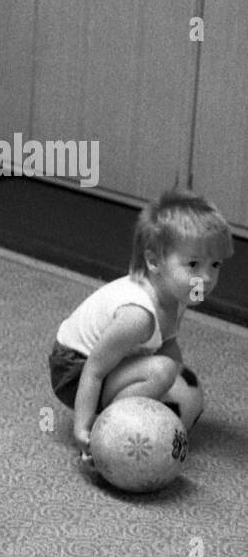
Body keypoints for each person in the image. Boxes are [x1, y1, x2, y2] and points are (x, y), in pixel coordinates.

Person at [49, 191, 232, 451]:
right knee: (162, 371)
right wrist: (83, 428)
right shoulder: (138, 315)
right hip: (73, 368)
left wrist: (172, 376)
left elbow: (168, 342)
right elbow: (94, 370)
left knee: (168, 367)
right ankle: (111, 427)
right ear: (154, 262)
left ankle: (133, 396)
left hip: (104, 360)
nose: (207, 277)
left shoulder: (178, 294)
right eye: (193, 264)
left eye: (215, 265)